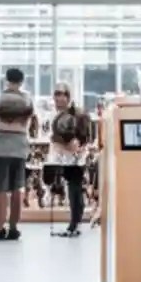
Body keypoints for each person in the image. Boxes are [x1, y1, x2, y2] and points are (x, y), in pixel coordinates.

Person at [0, 68, 33, 241]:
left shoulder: (0, 99)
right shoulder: (27, 101)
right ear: (22, 81)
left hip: (0, 148)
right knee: (17, 189)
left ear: (6, 80)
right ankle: (14, 227)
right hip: (20, 147)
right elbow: (29, 121)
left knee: (1, 189)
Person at [48, 82, 92, 237]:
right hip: (66, 157)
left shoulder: (77, 114)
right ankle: (75, 223)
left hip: (75, 157)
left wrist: (74, 144)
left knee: (74, 189)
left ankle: (75, 224)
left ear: (68, 96)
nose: (58, 98)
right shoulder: (61, 115)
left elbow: (83, 137)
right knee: (73, 188)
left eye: (61, 94)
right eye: (56, 95)